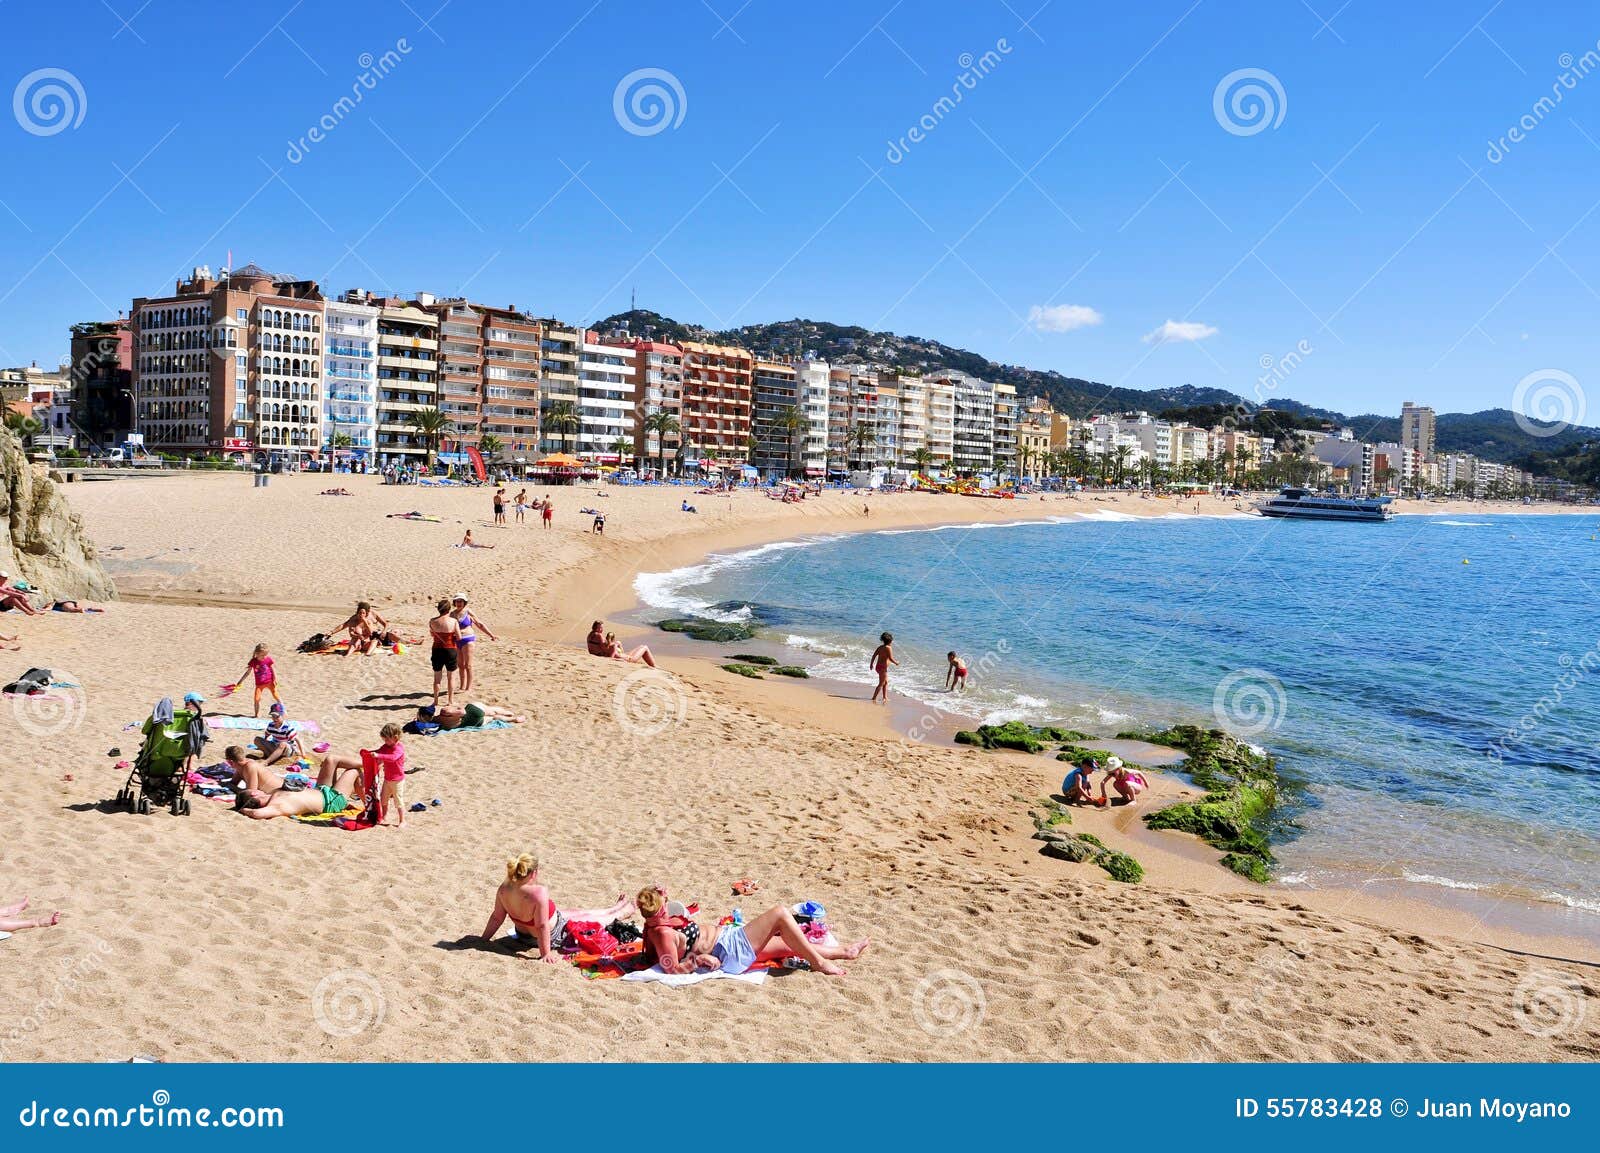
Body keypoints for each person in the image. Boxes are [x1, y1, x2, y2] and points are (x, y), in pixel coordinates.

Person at [637, 886, 867, 977]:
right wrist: (698, 960)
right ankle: (820, 964)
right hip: (729, 950)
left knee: (789, 945)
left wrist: (660, 893)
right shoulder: (663, 933)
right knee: (780, 914)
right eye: (664, 905)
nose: (668, 905)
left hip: (729, 940)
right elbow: (672, 969)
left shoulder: (656, 922)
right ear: (659, 911)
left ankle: (845, 951)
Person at [480, 854, 637, 963]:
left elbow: (497, 918)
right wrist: (546, 954)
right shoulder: (538, 892)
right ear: (533, 873)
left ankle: (614, 907)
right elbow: (542, 926)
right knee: (589, 919)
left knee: (577, 912)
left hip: (523, 934)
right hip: (554, 933)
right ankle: (622, 911)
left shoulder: (504, 888)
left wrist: (483, 940)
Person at [236, 759, 366, 821]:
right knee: (353, 771)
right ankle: (369, 803)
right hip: (331, 801)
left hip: (320, 790)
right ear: (254, 793)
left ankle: (369, 762)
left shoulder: (272, 796)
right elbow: (256, 814)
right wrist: (243, 809)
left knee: (330, 760)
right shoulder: (277, 806)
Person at [451, 594, 497, 694]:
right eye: (457, 601)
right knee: (460, 665)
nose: (459, 603)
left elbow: (479, 624)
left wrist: (491, 635)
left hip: (468, 639)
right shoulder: (452, 614)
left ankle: (468, 687)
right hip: (456, 640)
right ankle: (462, 686)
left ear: (464, 602)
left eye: (461, 601)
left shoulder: (468, 612)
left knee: (468, 665)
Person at [233, 643, 282, 717]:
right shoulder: (253, 661)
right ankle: (256, 715)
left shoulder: (268, 659)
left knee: (276, 696)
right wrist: (240, 681)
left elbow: (272, 669)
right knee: (256, 699)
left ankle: (283, 710)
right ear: (257, 653)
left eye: (265, 655)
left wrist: (275, 679)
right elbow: (248, 672)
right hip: (259, 684)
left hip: (270, 682)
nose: (264, 657)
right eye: (262, 655)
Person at [428, 598, 461, 707]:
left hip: (437, 649)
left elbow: (432, 635)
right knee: (451, 676)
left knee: (437, 677)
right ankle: (450, 700)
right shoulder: (453, 621)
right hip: (450, 648)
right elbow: (459, 637)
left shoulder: (432, 621)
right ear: (448, 609)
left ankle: (436, 700)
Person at [586, 620, 656, 667]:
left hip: (617, 656)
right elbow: (605, 648)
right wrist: (615, 645)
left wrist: (614, 644)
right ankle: (654, 667)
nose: (602, 629)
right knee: (644, 647)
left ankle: (653, 666)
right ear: (597, 628)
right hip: (624, 659)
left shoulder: (590, 635)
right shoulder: (599, 635)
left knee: (641, 646)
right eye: (600, 627)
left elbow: (600, 648)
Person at [415, 702, 525, 730]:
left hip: (471, 723)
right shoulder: (444, 711)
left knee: (492, 718)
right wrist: (456, 706)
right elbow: (463, 712)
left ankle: (513, 719)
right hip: (471, 713)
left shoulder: (436, 725)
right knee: (491, 710)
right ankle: (507, 712)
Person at [869, 632, 898, 704]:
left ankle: (885, 697)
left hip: (878, 667)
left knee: (885, 682)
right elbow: (891, 658)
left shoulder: (880, 647)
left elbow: (874, 655)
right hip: (883, 668)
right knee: (881, 683)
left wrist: (871, 664)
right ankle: (874, 698)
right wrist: (896, 663)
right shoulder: (888, 648)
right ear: (890, 641)